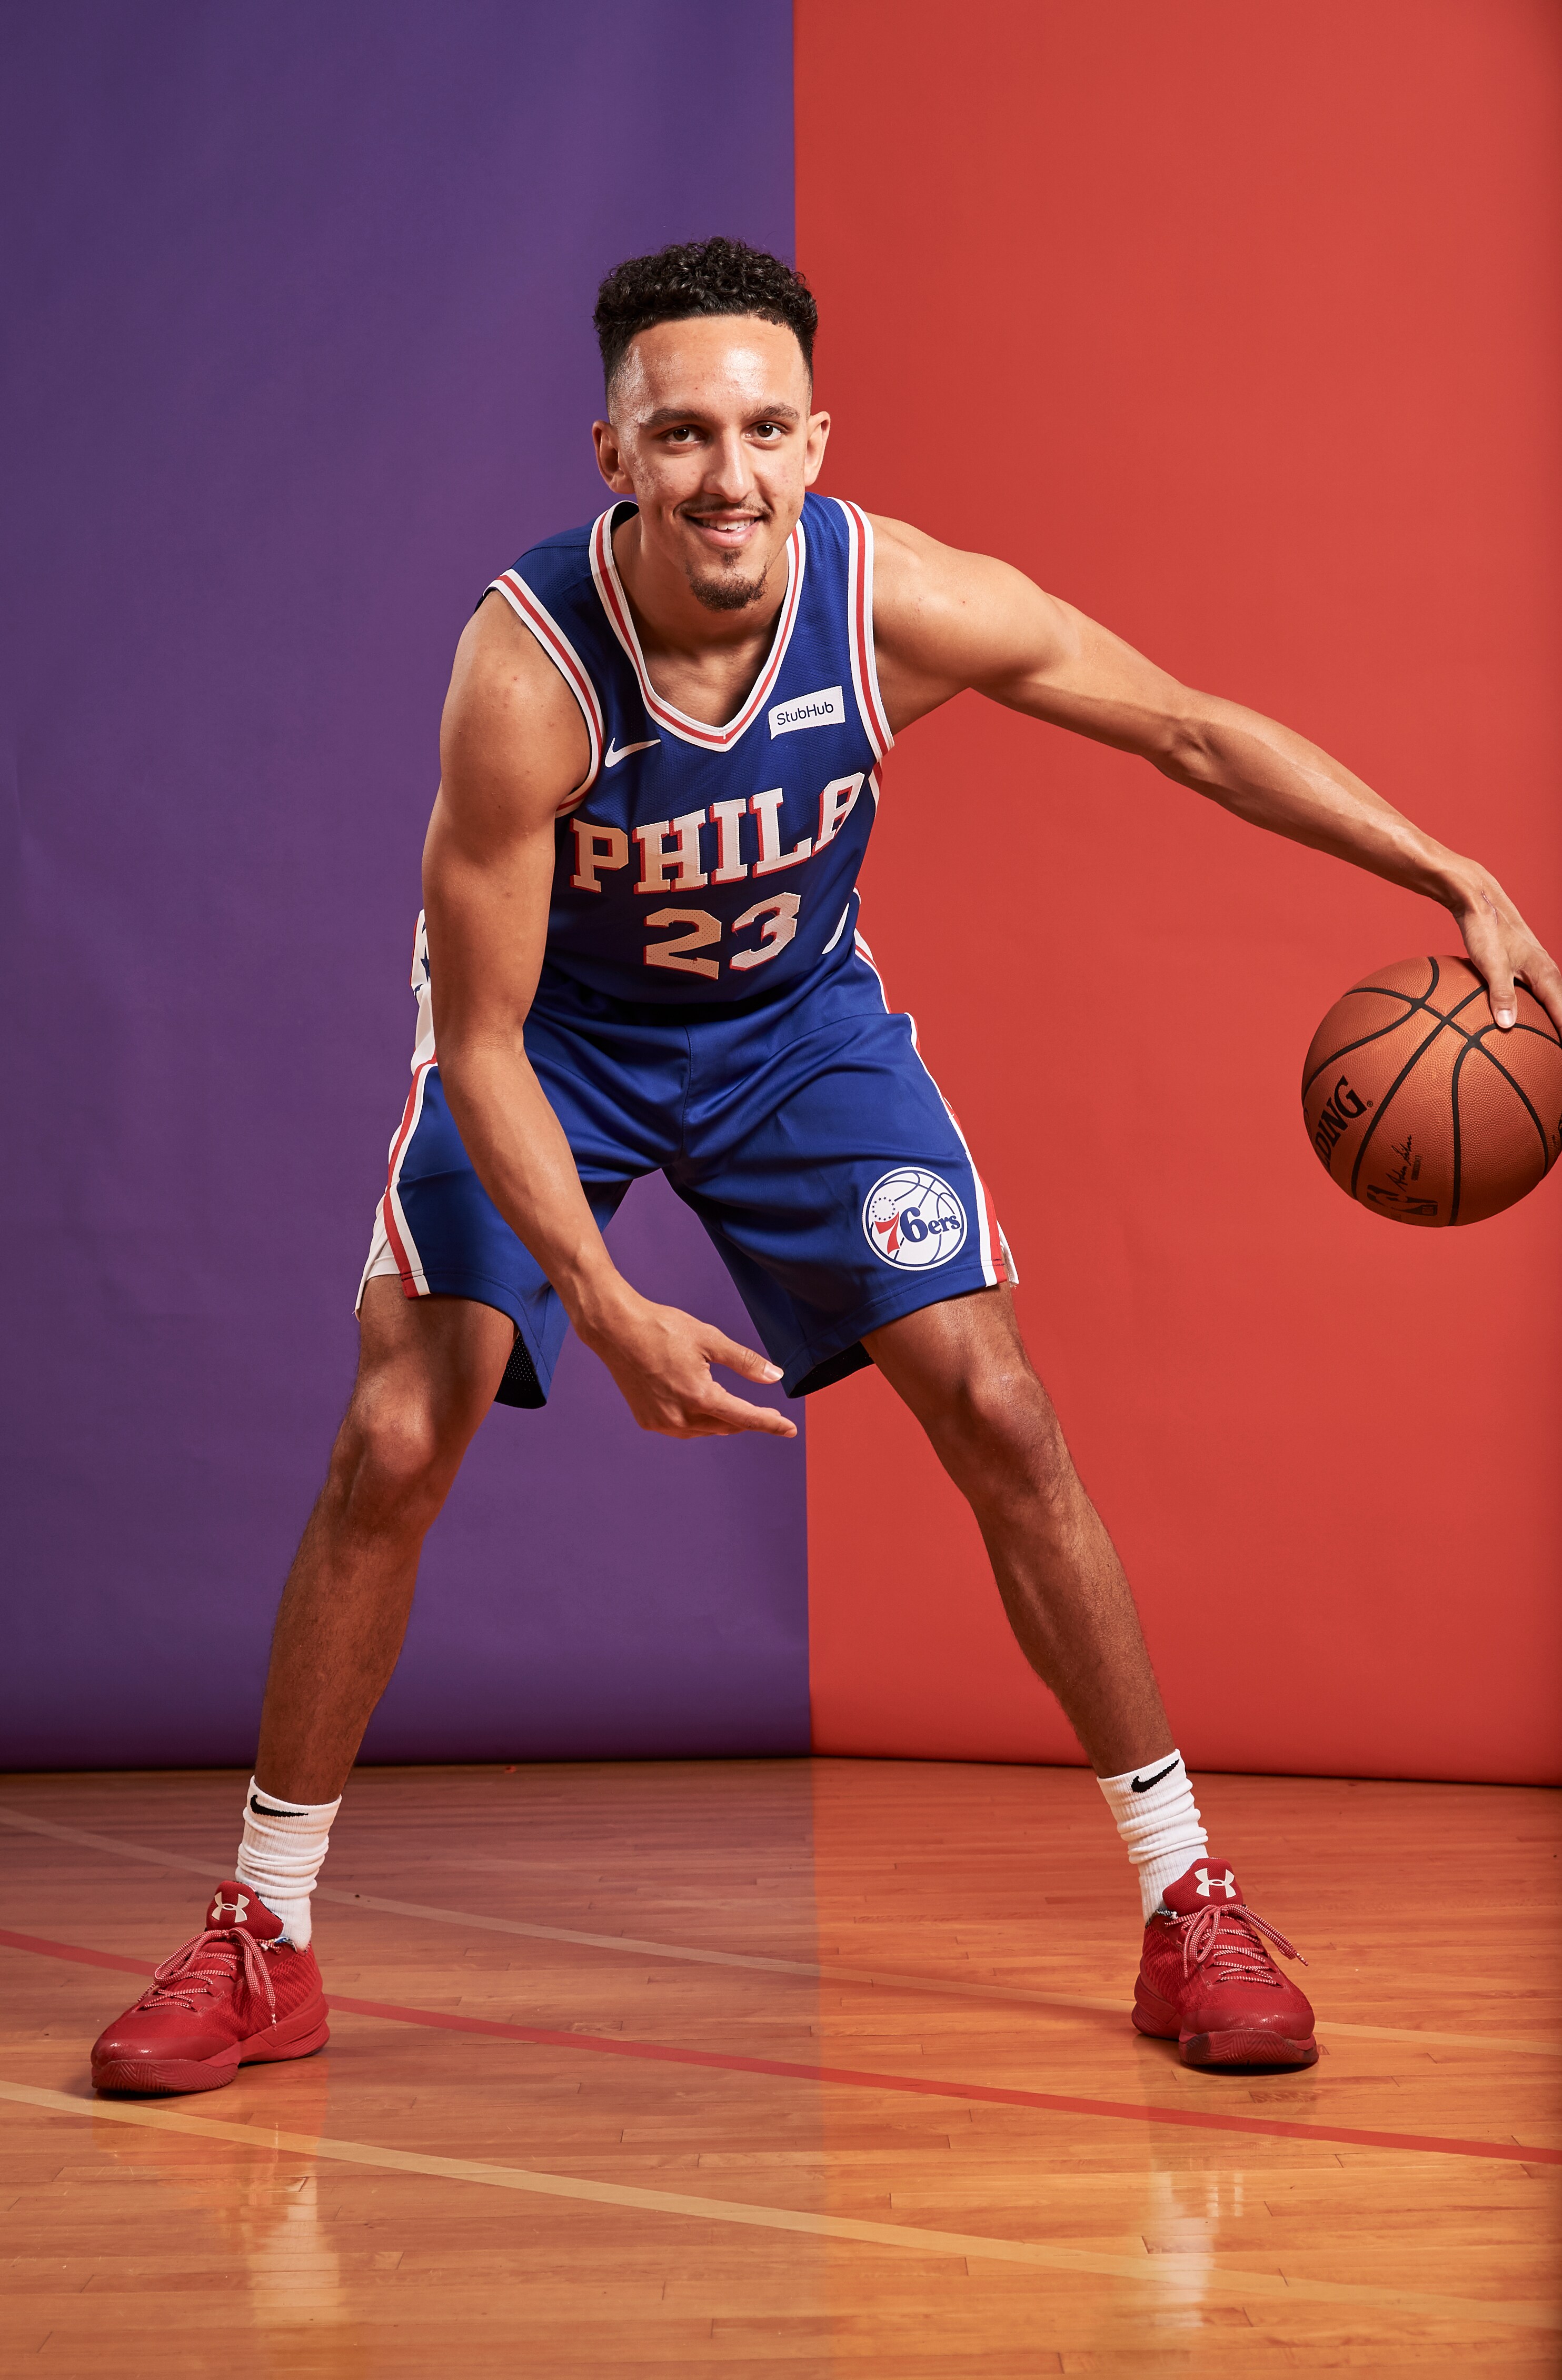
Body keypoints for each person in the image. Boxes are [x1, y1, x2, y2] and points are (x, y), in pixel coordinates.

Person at [92, 238, 1562, 2097]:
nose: (730, 472)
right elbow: (475, 1043)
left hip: (797, 1034)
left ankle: (1189, 1898)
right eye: (684, 433)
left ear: (816, 439)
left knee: (1004, 1409)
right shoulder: (527, 675)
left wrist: (1446, 870)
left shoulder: (897, 603)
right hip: (556, 1047)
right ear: (612, 452)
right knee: (399, 1424)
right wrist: (611, 1307)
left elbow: (1189, 725)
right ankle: (264, 1936)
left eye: (766, 428)